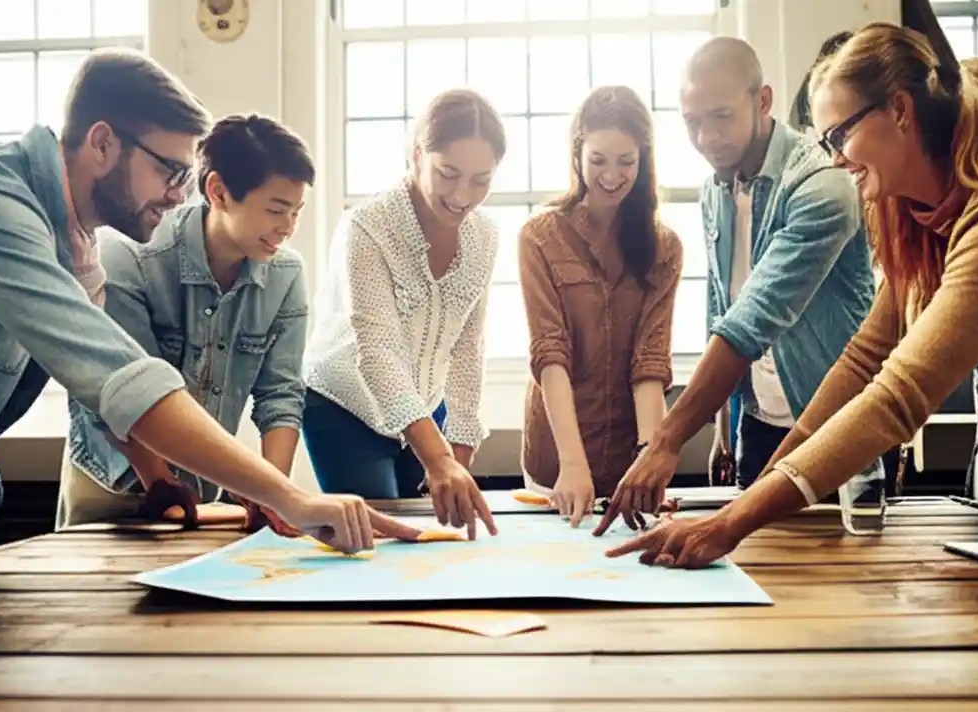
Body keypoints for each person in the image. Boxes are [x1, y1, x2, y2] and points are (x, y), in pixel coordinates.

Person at [0, 49, 412, 581]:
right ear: (103, 143)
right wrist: (290, 498)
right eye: (170, 171)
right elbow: (120, 377)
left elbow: (111, 392)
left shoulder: (76, 245)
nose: (179, 194)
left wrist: (165, 481)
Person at [607, 24, 978, 568]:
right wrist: (756, 495)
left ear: (900, 111)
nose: (834, 158)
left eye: (839, 135)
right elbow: (865, 358)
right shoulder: (911, 210)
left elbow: (900, 394)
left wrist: (732, 522)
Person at [594, 38, 875, 534]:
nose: (706, 137)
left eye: (721, 116)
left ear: (762, 101)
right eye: (692, 122)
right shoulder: (716, 187)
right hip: (760, 425)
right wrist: (725, 428)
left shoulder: (823, 186)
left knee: (843, 576)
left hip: (837, 427)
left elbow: (754, 318)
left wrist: (665, 441)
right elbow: (722, 305)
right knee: (755, 568)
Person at [57, 114, 314, 533]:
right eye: (275, 210)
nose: (287, 228)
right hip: (114, 485)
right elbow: (116, 387)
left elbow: (281, 395)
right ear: (218, 191)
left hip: (202, 493)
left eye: (296, 213)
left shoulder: (285, 275)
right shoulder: (132, 256)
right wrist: (160, 481)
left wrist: (273, 495)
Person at [302, 89, 505, 540]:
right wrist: (438, 459)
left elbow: (468, 347)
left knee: (439, 535)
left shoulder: (485, 237)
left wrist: (459, 452)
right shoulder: (366, 228)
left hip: (428, 404)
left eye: (481, 180)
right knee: (376, 538)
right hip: (344, 406)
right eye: (448, 174)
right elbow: (377, 352)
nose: (463, 195)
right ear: (416, 155)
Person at [518, 85, 682, 527]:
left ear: (643, 159)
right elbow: (550, 353)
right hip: (556, 462)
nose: (611, 175)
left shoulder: (664, 246)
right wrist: (573, 464)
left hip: (626, 460)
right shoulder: (539, 237)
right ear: (577, 155)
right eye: (598, 160)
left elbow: (650, 362)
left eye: (626, 161)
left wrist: (649, 458)